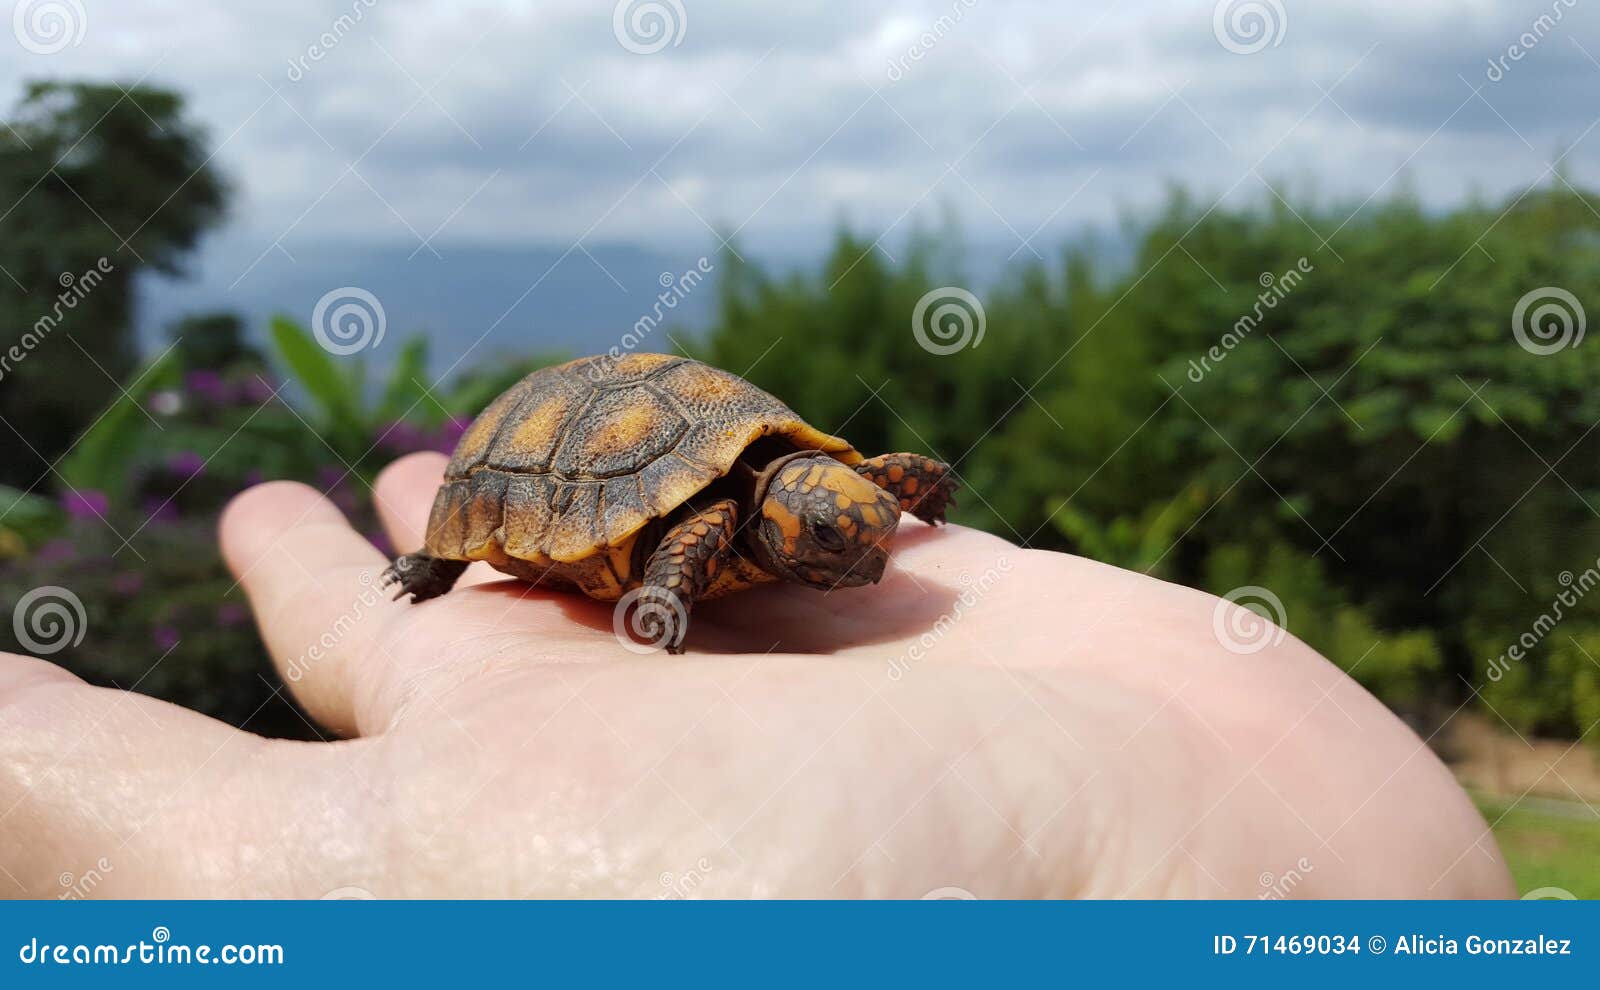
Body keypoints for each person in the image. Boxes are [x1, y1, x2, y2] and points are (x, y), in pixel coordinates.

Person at [0, 452, 1513, 898]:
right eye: (831, 533)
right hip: (594, 469)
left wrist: (898, 498)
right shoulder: (710, 524)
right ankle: (438, 551)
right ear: (773, 522)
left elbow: (885, 496)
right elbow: (688, 528)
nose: (857, 547)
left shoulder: (829, 500)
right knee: (439, 548)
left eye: (869, 526)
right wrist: (658, 591)